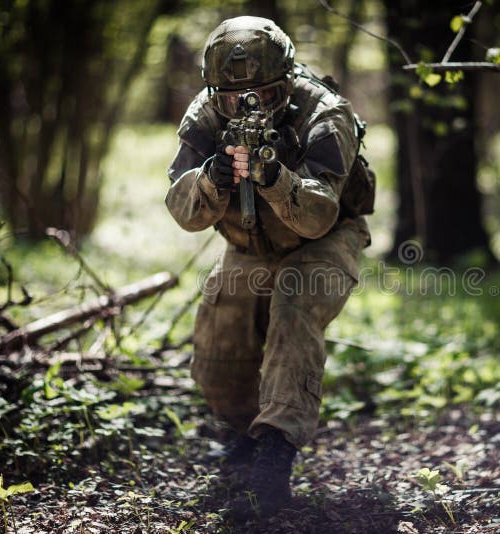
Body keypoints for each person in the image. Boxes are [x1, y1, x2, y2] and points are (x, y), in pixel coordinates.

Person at [164, 15, 373, 517]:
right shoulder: (205, 114)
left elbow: (319, 216)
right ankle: (244, 435)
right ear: (215, 92)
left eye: (264, 95)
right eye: (232, 99)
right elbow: (183, 211)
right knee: (218, 352)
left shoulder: (325, 114)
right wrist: (212, 179)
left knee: (295, 306)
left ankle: (275, 455)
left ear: (287, 82)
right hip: (249, 243)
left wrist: (276, 177)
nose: (246, 106)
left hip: (324, 239)